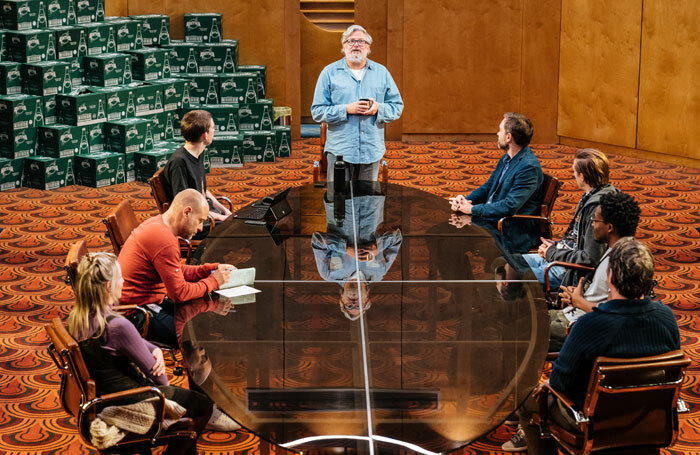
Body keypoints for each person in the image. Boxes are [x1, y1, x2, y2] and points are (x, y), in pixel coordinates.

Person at [504, 238, 680, 453]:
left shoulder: (589, 325)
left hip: (591, 421)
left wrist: (547, 385)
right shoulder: (666, 318)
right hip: (646, 419)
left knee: (527, 398)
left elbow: (560, 383)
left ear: (611, 277)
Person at [67, 252, 214, 455]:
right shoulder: (117, 326)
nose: (124, 281)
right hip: (128, 401)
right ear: (109, 286)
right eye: (120, 277)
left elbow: (140, 344)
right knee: (203, 405)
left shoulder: (78, 318)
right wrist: (166, 393)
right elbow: (159, 379)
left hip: (102, 399)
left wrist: (155, 351)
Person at [118, 189, 235, 347]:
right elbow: (180, 293)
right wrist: (213, 281)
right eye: (200, 220)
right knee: (201, 333)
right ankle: (197, 369)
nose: (201, 228)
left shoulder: (158, 225)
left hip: (142, 305)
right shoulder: (164, 240)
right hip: (135, 315)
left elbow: (176, 269)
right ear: (187, 212)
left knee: (201, 316)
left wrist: (209, 270)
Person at [548, 191, 641, 352]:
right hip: (575, 314)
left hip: (578, 327)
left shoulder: (621, 261)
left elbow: (619, 313)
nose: (591, 225)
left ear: (609, 227)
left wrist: (580, 302)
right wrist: (578, 295)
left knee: (511, 330)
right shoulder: (617, 248)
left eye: (594, 220)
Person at [311, 24, 404, 181]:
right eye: (351, 41)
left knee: (369, 201)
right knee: (338, 201)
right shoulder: (329, 73)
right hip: (340, 151)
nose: (355, 45)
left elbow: (397, 107)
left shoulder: (382, 73)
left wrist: (378, 109)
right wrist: (346, 109)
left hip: (371, 150)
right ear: (343, 45)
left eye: (361, 41)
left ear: (368, 47)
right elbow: (317, 111)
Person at [522, 149, 617, 289]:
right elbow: (578, 240)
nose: (573, 175)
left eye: (574, 172)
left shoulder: (597, 210)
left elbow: (589, 258)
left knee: (510, 275)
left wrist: (552, 252)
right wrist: (556, 245)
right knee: (503, 263)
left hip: (567, 271)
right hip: (560, 257)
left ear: (582, 177)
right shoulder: (591, 196)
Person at [449, 112, 543, 218]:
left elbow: (509, 206)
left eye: (500, 130)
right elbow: (488, 187)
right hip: (492, 216)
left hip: (508, 226)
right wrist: (465, 201)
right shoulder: (507, 157)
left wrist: (472, 209)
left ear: (508, 137)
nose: (497, 134)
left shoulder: (528, 168)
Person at [162, 109, 231, 224]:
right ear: (204, 135)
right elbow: (185, 207)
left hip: (208, 214)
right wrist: (220, 218)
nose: (214, 131)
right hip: (196, 223)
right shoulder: (179, 163)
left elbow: (203, 191)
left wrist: (224, 210)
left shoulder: (196, 155)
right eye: (212, 128)